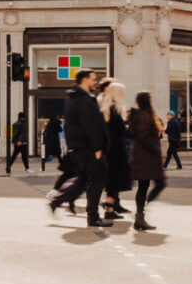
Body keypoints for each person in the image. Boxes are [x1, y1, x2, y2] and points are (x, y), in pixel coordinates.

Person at [50, 68, 110, 227]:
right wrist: (97, 147)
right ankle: (93, 217)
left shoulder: (75, 97)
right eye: (92, 79)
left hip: (79, 147)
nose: (95, 82)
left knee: (83, 180)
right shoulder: (83, 99)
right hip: (88, 148)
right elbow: (89, 125)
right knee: (97, 179)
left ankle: (57, 201)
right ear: (84, 80)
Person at [126, 92, 166, 231]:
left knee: (144, 186)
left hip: (142, 156)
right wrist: (155, 149)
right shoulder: (144, 115)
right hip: (147, 157)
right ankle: (140, 215)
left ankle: (140, 216)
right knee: (160, 184)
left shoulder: (140, 114)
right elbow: (144, 136)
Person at [100, 80, 132, 221]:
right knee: (115, 180)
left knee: (112, 180)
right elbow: (121, 131)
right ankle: (109, 209)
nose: (123, 94)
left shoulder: (106, 109)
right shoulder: (114, 109)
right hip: (117, 150)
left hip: (109, 149)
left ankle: (110, 208)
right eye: (121, 92)